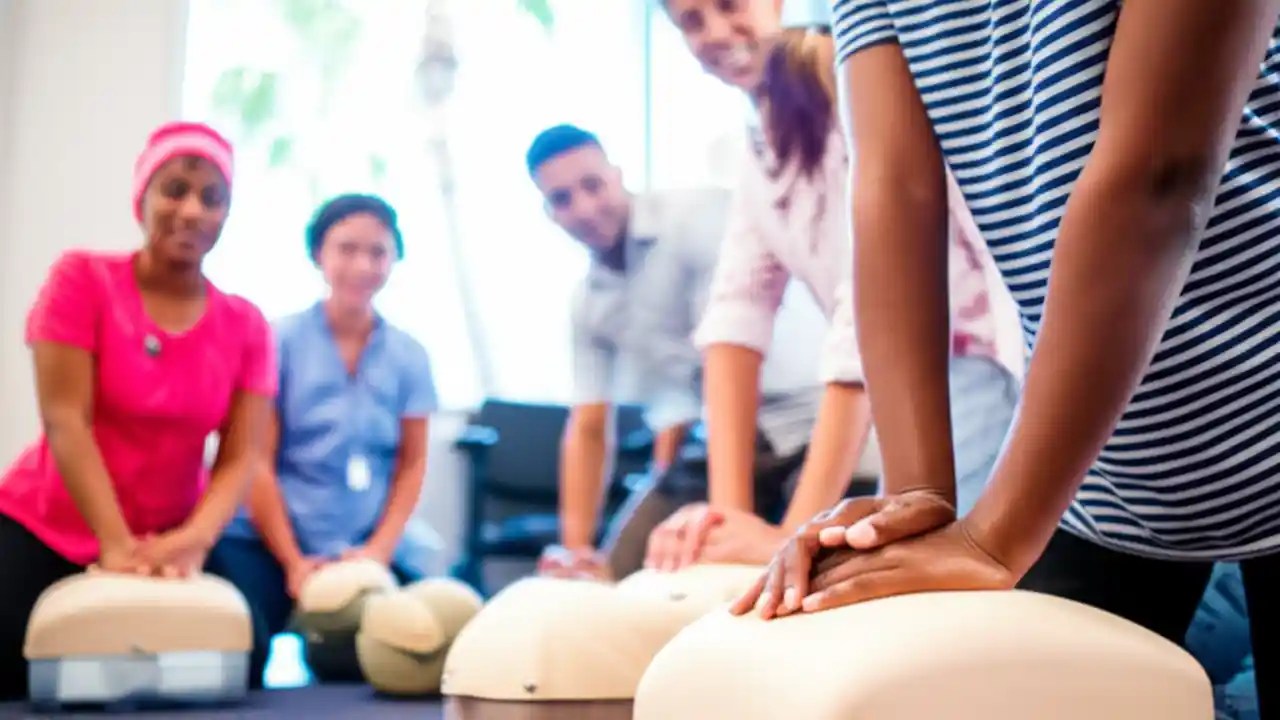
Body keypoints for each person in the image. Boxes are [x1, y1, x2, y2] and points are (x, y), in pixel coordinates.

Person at [736, 0, 1280, 715]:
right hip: (1106, 476)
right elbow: (893, 188)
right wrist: (915, 501)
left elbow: (1159, 172)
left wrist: (996, 538)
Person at [645, 3, 1018, 573]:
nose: (716, 32)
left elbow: (866, 317)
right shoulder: (760, 139)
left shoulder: (854, 91)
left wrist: (789, 538)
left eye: (729, 4)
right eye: (691, 22)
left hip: (975, 378)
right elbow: (735, 314)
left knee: (895, 585)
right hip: (905, 387)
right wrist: (727, 520)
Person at [0, 121, 275, 701]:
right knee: (10, 664)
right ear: (143, 197)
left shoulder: (245, 324)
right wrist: (115, 544)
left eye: (212, 197)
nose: (193, 210)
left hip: (172, 537)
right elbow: (65, 420)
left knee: (249, 659)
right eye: (175, 189)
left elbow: (239, 454)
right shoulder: (81, 280)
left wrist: (198, 539)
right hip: (50, 524)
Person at [525, 124, 831, 580]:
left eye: (592, 185)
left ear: (617, 175)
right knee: (613, 574)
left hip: (807, 419)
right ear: (550, 213)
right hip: (717, 437)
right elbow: (589, 426)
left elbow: (731, 352)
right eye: (563, 199)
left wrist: (729, 514)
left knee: (790, 565)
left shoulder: (693, 218)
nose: (585, 208)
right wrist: (576, 549)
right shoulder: (589, 303)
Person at [207, 193, 438, 688]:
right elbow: (256, 462)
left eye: (377, 252)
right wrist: (294, 563)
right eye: (347, 249)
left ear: (394, 258)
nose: (362, 265)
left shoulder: (409, 355)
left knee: (417, 647)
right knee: (241, 652)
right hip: (269, 542)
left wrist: (377, 550)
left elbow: (412, 465)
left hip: (362, 544)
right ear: (319, 255)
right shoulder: (279, 341)